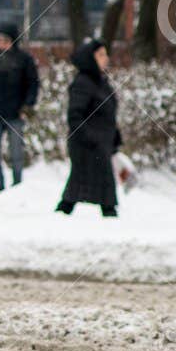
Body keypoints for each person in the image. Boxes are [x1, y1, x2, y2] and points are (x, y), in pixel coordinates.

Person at [57, 38, 123, 218]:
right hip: (86, 144)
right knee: (86, 180)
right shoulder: (83, 83)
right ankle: (107, 213)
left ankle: (67, 211)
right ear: (90, 58)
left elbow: (108, 112)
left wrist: (114, 137)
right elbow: (75, 115)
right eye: (101, 55)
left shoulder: (101, 81)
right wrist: (90, 137)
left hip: (101, 141)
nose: (106, 58)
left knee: (92, 182)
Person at [0, 23, 39, 197]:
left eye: (6, 40)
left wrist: (28, 105)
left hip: (15, 113)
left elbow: (32, 84)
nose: (2, 44)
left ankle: (17, 187)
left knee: (16, 153)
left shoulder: (24, 60)